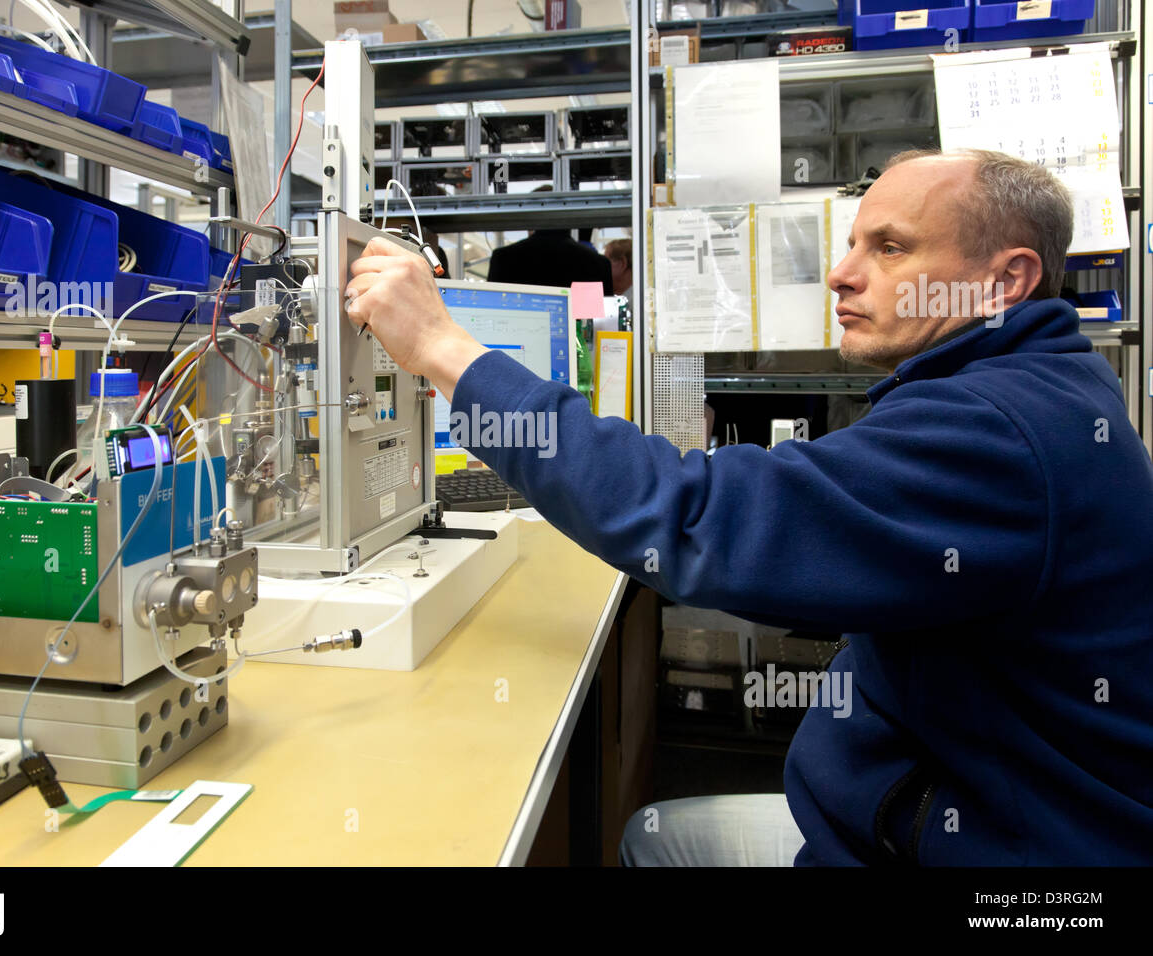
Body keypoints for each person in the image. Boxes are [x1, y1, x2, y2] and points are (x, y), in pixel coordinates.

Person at [343, 148, 1153, 865]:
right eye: (853, 242)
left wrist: (445, 351)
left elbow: (696, 518)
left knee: (651, 840)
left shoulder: (999, 431)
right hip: (939, 811)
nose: (842, 272)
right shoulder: (1037, 383)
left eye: (891, 248)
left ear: (1004, 280)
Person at [486, 189, 613, 293]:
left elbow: (490, 311)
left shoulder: (504, 259)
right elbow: (597, 320)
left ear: (528, 218)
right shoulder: (597, 264)